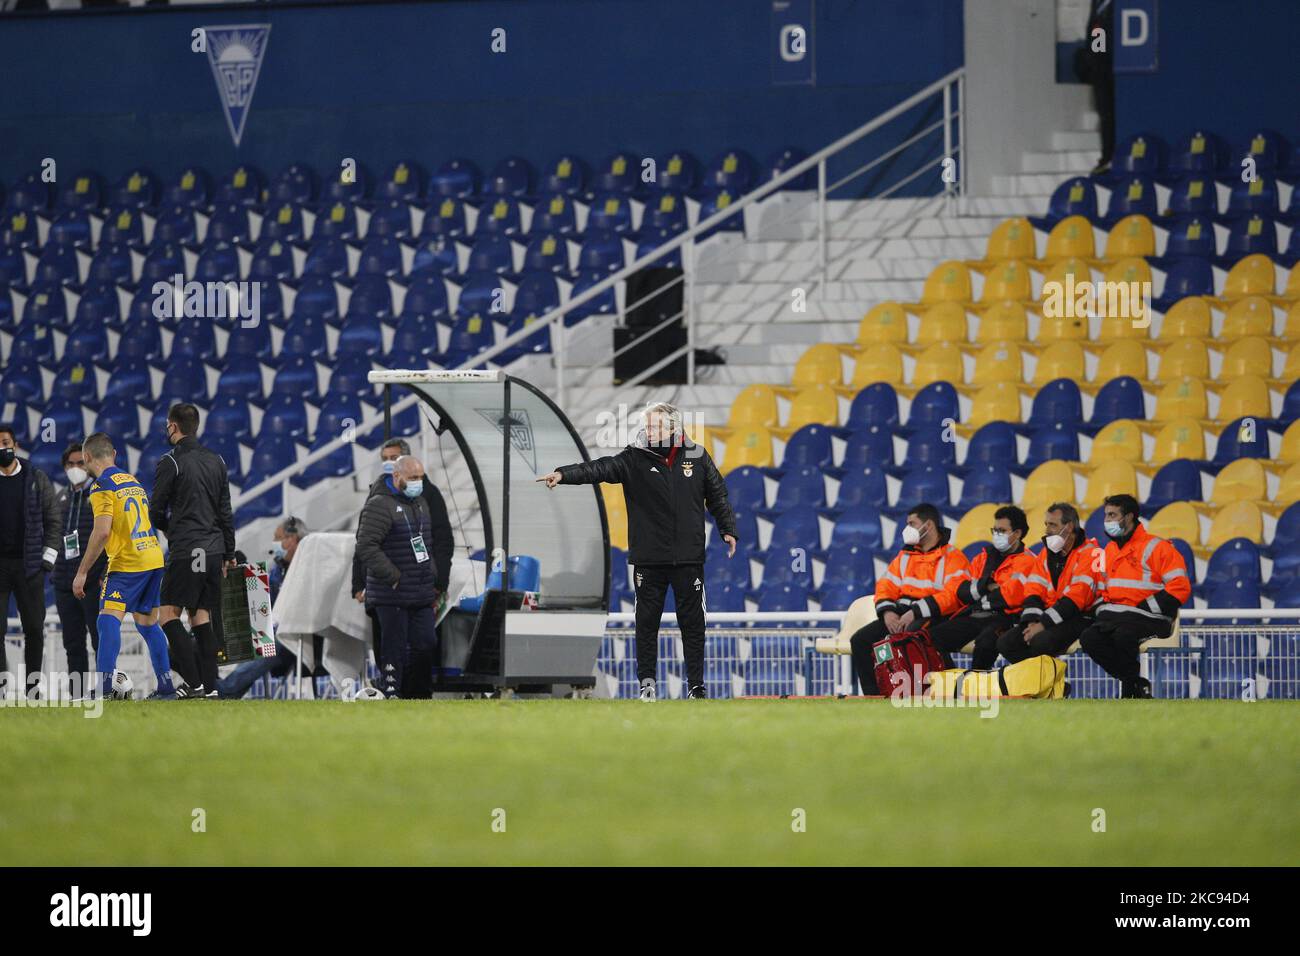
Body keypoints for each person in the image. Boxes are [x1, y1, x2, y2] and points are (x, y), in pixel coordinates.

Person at [538, 401, 738, 701]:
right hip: (648, 559)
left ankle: (696, 687)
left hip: (689, 558)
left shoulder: (696, 455)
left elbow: (717, 494)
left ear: (673, 428)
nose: (649, 430)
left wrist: (728, 528)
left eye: (655, 425)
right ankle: (647, 684)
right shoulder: (634, 458)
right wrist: (564, 474)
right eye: (647, 425)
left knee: (693, 625)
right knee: (646, 625)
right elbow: (600, 468)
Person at [72, 433, 176, 699]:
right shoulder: (133, 481)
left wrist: (82, 571)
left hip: (128, 562)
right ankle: (166, 688)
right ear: (114, 454)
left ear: (86, 458)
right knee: (147, 624)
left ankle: (105, 688)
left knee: (107, 621)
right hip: (153, 557)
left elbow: (102, 532)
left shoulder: (101, 486)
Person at [149, 402, 237, 698]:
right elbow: (225, 511)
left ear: (173, 426)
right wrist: (229, 553)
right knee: (200, 617)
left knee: (168, 615)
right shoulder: (218, 461)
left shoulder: (170, 461)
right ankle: (211, 689)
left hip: (188, 549)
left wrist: (171, 530)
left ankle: (195, 682)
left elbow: (156, 510)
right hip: (213, 550)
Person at [352, 438, 455, 686]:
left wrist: (433, 575)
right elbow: (365, 545)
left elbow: (432, 542)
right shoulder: (378, 503)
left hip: (419, 591)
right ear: (398, 476)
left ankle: (414, 694)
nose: (417, 482)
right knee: (392, 649)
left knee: (426, 643)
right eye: (413, 477)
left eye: (420, 476)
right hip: (391, 592)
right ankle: (390, 692)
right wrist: (393, 577)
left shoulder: (421, 502)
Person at [848, 503, 970, 694]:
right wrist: (888, 612)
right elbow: (885, 585)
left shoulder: (954, 557)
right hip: (901, 615)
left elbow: (952, 596)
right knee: (860, 640)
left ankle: (947, 690)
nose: (907, 529)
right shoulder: (905, 555)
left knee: (912, 637)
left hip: (936, 616)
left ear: (928, 526)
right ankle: (873, 697)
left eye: (912, 523)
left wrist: (915, 612)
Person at [1078, 494, 1191, 698]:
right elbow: (1104, 589)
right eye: (1106, 515)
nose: (1107, 521)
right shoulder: (1110, 550)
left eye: (1112, 515)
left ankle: (1130, 691)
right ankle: (1135, 682)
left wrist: (1147, 606)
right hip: (1118, 618)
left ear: (1129, 517)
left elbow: (1180, 587)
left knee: (1124, 635)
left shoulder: (1159, 547)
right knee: (1089, 638)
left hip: (1151, 618)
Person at [928, 505, 1037, 670]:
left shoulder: (1028, 561)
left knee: (985, 644)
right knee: (931, 639)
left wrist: (979, 590)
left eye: (1002, 530)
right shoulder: (983, 557)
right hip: (974, 615)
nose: (996, 535)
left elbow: (1008, 597)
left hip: (1004, 618)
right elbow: (961, 589)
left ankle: (976, 688)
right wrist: (988, 586)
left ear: (1017, 533)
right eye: (995, 530)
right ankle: (953, 682)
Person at [997, 502, 1103, 665]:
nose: (1047, 530)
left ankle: (1046, 685)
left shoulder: (1091, 552)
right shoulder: (1045, 553)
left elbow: (1077, 599)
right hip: (1052, 616)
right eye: (1046, 524)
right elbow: (1033, 589)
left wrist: (1042, 625)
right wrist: (1032, 621)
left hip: (1082, 616)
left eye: (1052, 525)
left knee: (1041, 642)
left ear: (1069, 527)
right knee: (1006, 643)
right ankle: (1045, 684)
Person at [216, 520, 311, 699]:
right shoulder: (277, 569)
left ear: (291, 539)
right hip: (280, 635)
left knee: (267, 642)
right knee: (255, 636)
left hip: (302, 636)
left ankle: (225, 690)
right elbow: (264, 606)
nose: (274, 542)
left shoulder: (309, 568)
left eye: (277, 538)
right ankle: (223, 688)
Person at [0, 424, 60, 696]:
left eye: (5, 442)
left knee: (35, 629)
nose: (2, 449)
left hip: (30, 566)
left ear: (15, 444)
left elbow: (53, 521)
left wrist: (46, 560)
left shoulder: (36, 478)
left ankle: (33, 688)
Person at [52, 442, 107, 688]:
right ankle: (78, 694)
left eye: (80, 463)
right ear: (65, 467)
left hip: (93, 582)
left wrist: (103, 573)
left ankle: (106, 689)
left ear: (88, 464)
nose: (75, 468)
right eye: (71, 464)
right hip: (64, 582)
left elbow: (108, 536)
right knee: (72, 643)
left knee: (99, 640)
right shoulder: (59, 498)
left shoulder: (99, 494)